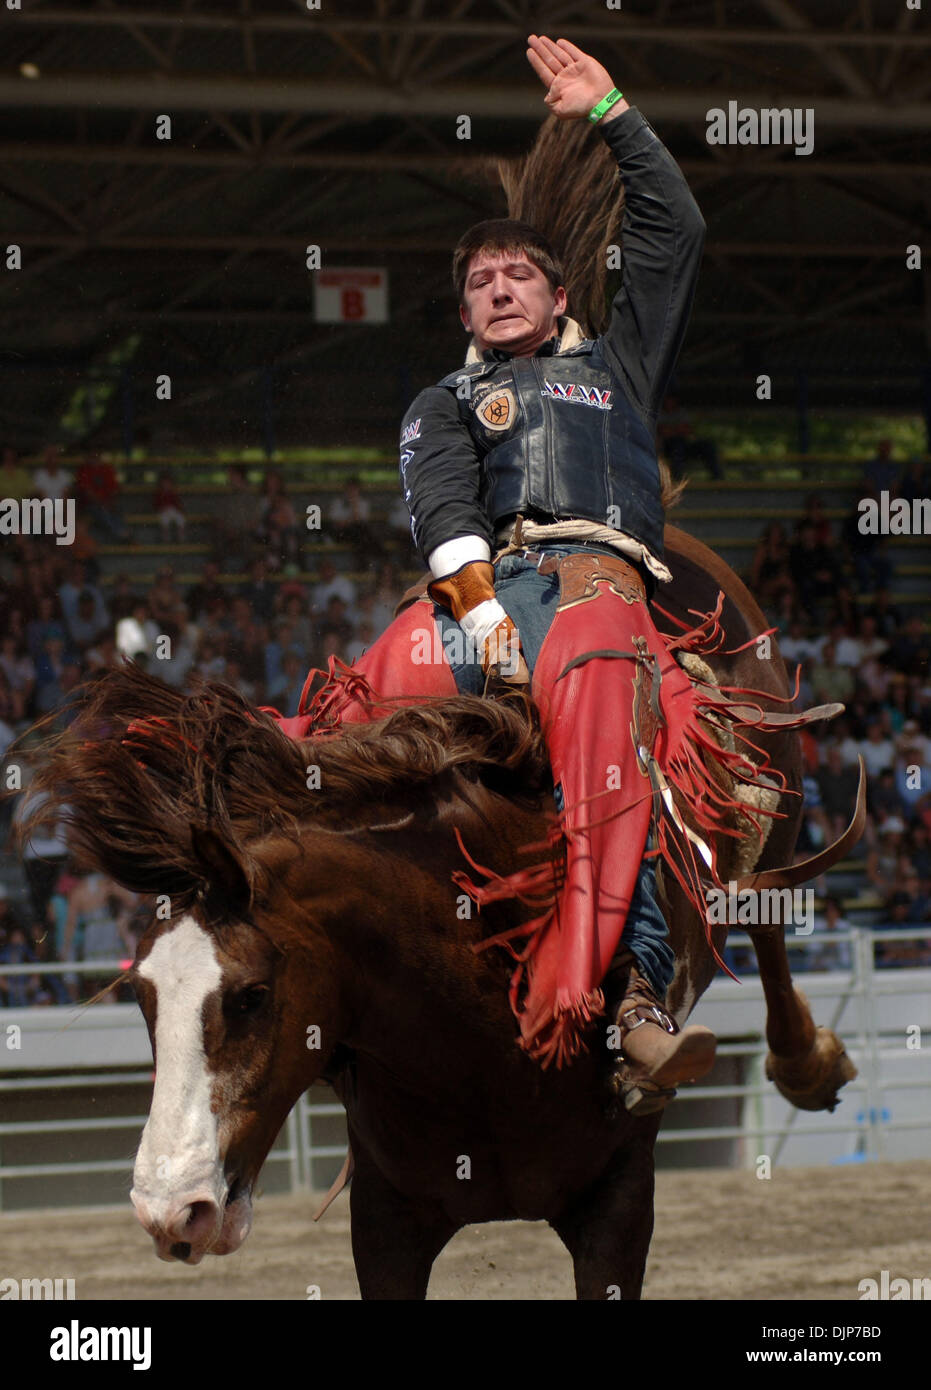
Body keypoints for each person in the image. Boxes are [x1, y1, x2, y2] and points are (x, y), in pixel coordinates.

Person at [281, 34, 723, 1113]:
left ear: (560, 290)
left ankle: (635, 997)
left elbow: (677, 231)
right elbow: (440, 510)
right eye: (478, 281)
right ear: (464, 312)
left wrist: (611, 109)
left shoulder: (617, 364)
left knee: (598, 693)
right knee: (353, 707)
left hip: (598, 588)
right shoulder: (440, 401)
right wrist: (478, 619)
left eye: (516, 271)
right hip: (479, 592)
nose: (496, 287)